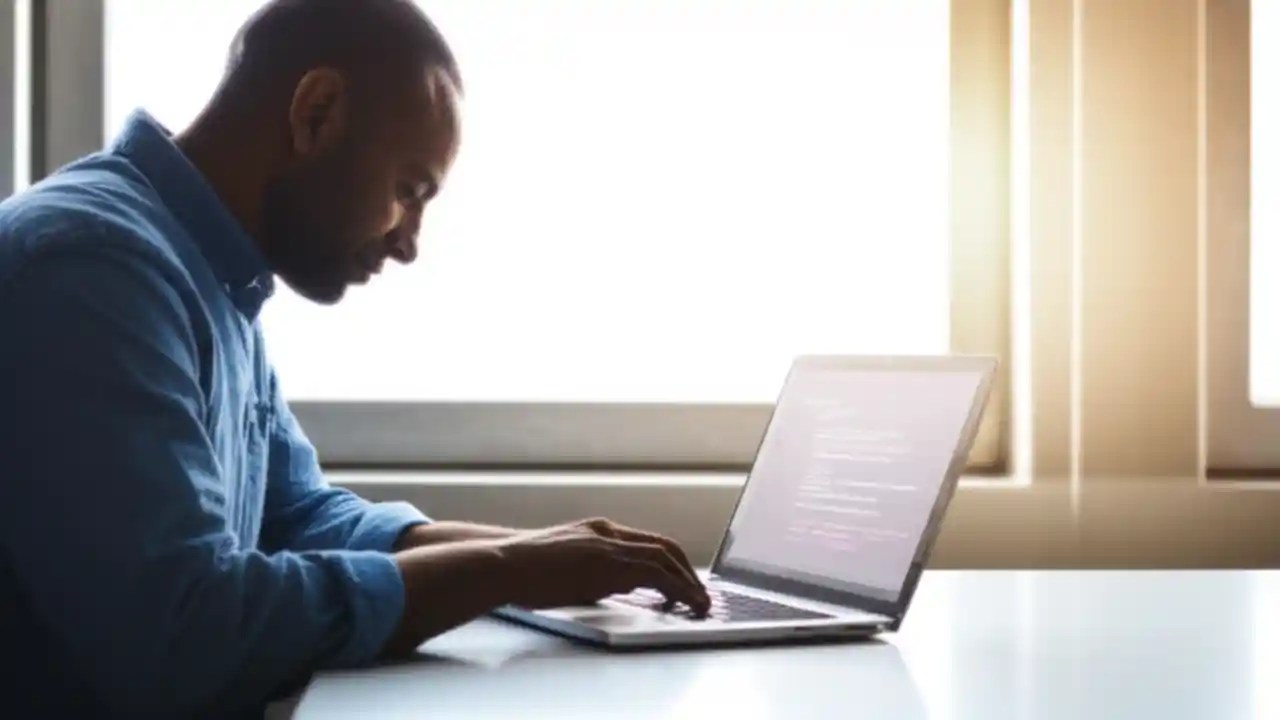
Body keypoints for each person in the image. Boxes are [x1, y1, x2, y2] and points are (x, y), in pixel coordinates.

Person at [0, 0, 710, 716]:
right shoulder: (89, 269)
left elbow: (299, 516)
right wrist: (502, 569)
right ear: (317, 112)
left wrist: (550, 557)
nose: (408, 243)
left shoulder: (207, 278)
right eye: (408, 191)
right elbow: (184, 633)